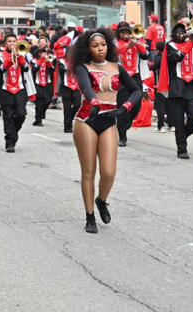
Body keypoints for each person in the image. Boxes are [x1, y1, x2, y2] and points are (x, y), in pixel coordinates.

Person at [68, 29, 140, 233]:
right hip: (86, 119)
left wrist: (125, 107)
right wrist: (92, 102)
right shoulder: (83, 67)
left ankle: (102, 200)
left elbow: (135, 90)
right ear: (87, 49)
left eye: (103, 45)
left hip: (109, 120)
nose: (100, 49)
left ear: (108, 45)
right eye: (95, 46)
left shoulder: (117, 67)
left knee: (108, 172)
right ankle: (89, 216)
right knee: (88, 171)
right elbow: (85, 87)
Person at [157, 23, 193, 159]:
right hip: (176, 86)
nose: (181, 33)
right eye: (178, 32)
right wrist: (191, 42)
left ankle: (184, 135)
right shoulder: (169, 46)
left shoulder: (191, 43)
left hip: (191, 85)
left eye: (183, 31)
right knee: (179, 121)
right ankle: (182, 149)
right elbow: (177, 57)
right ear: (173, 34)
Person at [0, 33, 35, 152]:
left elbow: (26, 69)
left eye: (14, 41)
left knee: (21, 114)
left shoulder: (22, 54)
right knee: (8, 117)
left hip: (20, 89)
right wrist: (10, 59)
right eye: (9, 41)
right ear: (5, 44)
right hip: (6, 89)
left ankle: (13, 133)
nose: (12, 44)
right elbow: (0, 70)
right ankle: (10, 142)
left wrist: (20, 58)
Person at [114, 22, 150, 146]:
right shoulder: (115, 44)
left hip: (135, 77)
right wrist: (129, 46)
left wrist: (137, 42)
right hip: (121, 78)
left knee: (136, 106)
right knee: (122, 106)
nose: (125, 34)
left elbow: (145, 55)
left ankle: (125, 125)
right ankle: (122, 136)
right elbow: (115, 53)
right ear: (118, 33)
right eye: (122, 32)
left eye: (127, 32)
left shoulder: (136, 43)